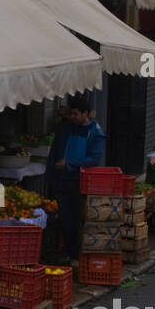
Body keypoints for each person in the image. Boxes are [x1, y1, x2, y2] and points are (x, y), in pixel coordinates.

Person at [46, 96, 106, 261]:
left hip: (79, 182)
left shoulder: (95, 133)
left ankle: (75, 254)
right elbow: (54, 153)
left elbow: (94, 159)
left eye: (75, 114)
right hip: (61, 180)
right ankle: (68, 251)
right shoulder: (65, 129)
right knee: (64, 218)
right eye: (71, 114)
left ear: (85, 113)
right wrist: (51, 175)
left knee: (75, 220)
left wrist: (70, 163)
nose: (72, 117)